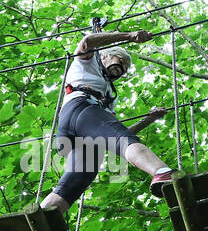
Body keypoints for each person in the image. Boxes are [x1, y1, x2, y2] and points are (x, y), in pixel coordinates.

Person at [39, 28, 174, 214]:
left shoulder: (108, 95)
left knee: (74, 183)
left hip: (79, 127)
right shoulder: (87, 61)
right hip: (81, 109)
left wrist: (148, 120)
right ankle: (162, 172)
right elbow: (87, 42)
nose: (122, 69)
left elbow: (113, 135)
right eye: (121, 61)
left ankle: (43, 218)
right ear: (105, 56)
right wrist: (128, 36)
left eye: (125, 69)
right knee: (123, 141)